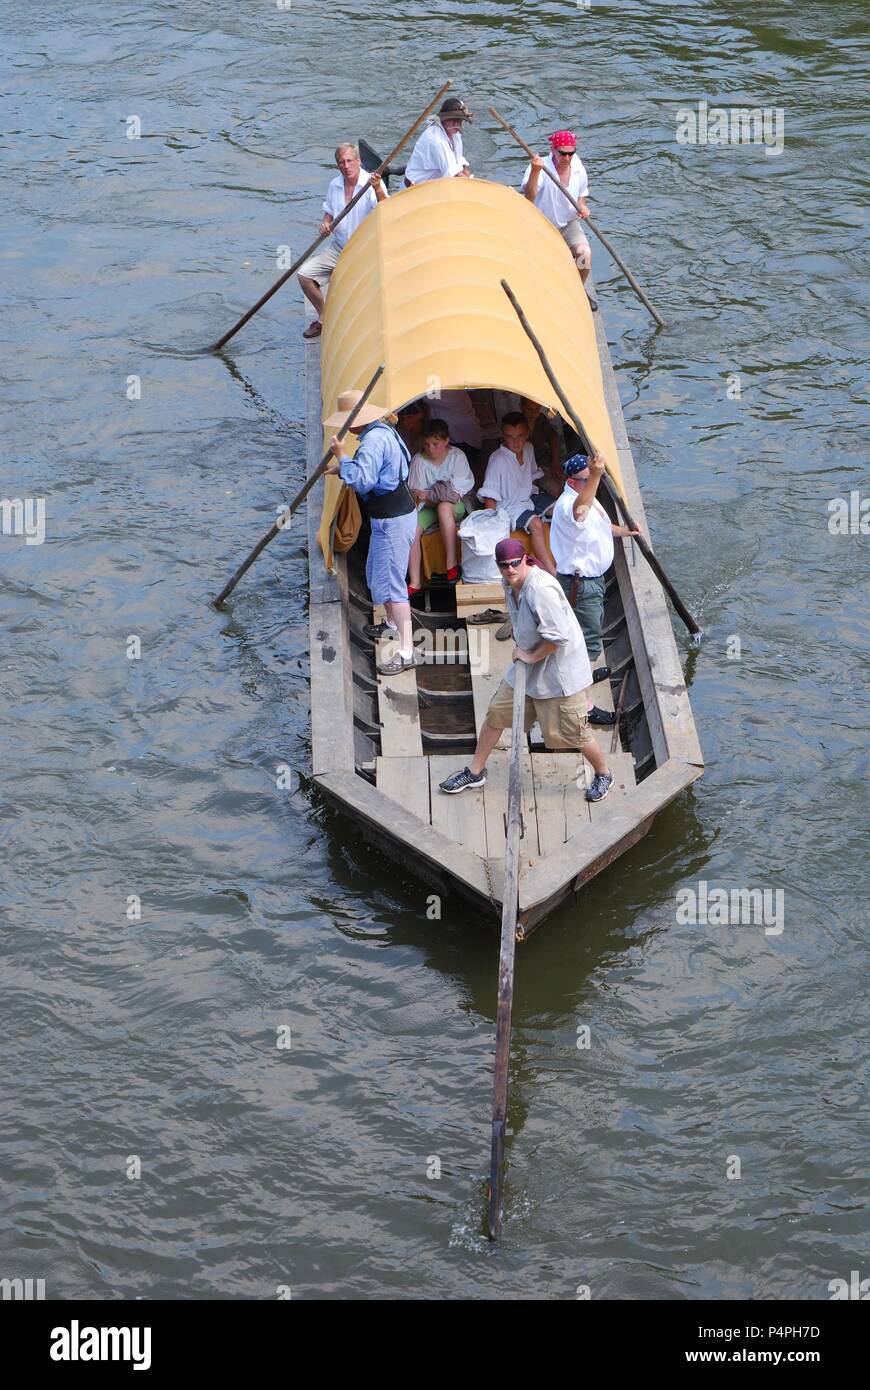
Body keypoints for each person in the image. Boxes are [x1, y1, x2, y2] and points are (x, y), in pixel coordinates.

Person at [438, 540, 614, 802]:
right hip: (528, 668)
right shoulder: (509, 583)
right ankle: (475, 772)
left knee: (575, 731)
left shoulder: (540, 590)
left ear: (525, 560)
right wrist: (519, 632)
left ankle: (603, 774)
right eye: (503, 565)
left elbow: (558, 639)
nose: (509, 569)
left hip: (560, 674)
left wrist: (529, 656)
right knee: (496, 713)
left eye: (513, 563)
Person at [324, 389, 418, 675]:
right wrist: (342, 468)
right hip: (389, 516)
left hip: (392, 519)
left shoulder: (373, 442)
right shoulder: (384, 431)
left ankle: (406, 651)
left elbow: (363, 482)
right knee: (379, 572)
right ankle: (390, 624)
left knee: (393, 583)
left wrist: (343, 457)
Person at [549, 451, 641, 726]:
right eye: (588, 480)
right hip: (581, 585)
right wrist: (597, 475)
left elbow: (598, 524)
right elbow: (580, 512)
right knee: (588, 644)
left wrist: (625, 531)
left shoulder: (588, 498)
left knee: (587, 635)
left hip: (593, 582)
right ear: (574, 481)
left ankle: (583, 678)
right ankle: (584, 705)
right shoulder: (569, 505)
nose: (593, 484)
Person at [297, 143, 387, 339]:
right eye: (341, 162)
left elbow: (385, 209)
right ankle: (324, 318)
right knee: (304, 275)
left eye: (349, 161)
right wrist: (325, 224)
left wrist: (379, 188)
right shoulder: (335, 185)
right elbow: (329, 211)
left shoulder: (371, 184)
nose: (346, 166)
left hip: (363, 251)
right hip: (338, 248)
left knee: (355, 292)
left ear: (358, 161)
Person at [521, 130, 597, 311]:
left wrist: (582, 208)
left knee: (584, 255)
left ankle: (578, 291)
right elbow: (529, 196)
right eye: (563, 153)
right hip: (543, 224)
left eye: (571, 153)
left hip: (568, 223)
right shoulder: (542, 167)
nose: (568, 158)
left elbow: (581, 197)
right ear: (553, 150)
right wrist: (535, 171)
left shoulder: (577, 167)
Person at [478, 412, 555, 574]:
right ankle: (552, 571)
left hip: (528, 497)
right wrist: (492, 525)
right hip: (508, 506)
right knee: (536, 524)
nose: (516, 442)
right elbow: (489, 496)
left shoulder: (529, 448)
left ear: (527, 433)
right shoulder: (497, 459)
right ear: (503, 436)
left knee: (561, 509)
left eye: (520, 436)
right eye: (510, 437)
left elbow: (532, 477)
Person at [407, 419, 476, 592]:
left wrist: (430, 494)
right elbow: (417, 495)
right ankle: (414, 581)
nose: (431, 449)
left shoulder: (457, 456)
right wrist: (434, 494)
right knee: (412, 528)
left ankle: (451, 564)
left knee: (444, 507)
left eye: (436, 444)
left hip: (455, 505)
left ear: (446, 441)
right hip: (427, 507)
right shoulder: (418, 461)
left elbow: (455, 494)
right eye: (427, 444)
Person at [404, 97, 474, 184]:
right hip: (417, 188)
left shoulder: (455, 132)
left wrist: (472, 180)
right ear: (444, 119)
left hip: (437, 182)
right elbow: (454, 176)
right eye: (452, 119)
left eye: (459, 120)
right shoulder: (437, 140)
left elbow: (460, 164)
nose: (456, 124)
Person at [521, 397, 562, 497]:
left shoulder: (541, 420)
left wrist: (555, 462)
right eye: (529, 409)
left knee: (557, 488)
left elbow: (553, 438)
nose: (533, 413)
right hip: (523, 466)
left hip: (542, 461)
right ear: (522, 407)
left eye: (536, 409)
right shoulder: (518, 422)